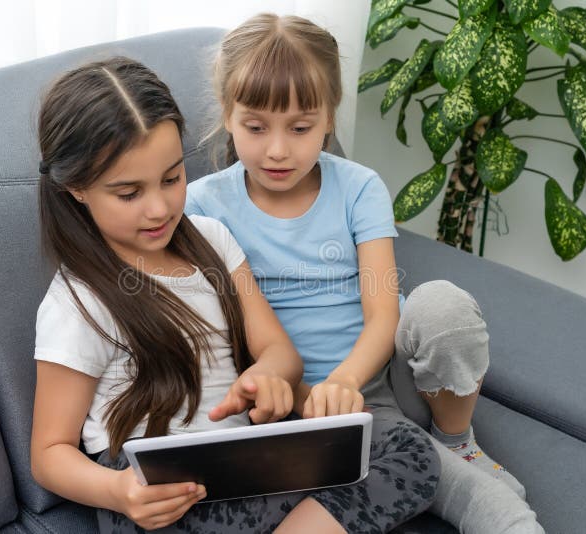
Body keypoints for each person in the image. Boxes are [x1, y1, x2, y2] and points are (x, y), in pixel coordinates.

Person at [30, 56, 440, 534]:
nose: (160, 207)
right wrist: (119, 494)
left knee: (410, 454)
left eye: (171, 178)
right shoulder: (75, 302)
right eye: (129, 193)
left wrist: (265, 378)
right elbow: (48, 454)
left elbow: (278, 351)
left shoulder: (212, 239)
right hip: (162, 493)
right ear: (77, 188)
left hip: (248, 466)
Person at [186, 13, 544, 534]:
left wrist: (345, 382)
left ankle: (455, 439)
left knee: (443, 307)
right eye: (256, 127)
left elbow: (383, 311)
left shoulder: (358, 187)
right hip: (276, 405)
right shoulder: (203, 203)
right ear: (228, 115)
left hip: (372, 387)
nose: (278, 149)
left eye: (301, 127)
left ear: (330, 118)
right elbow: (216, 327)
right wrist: (300, 397)